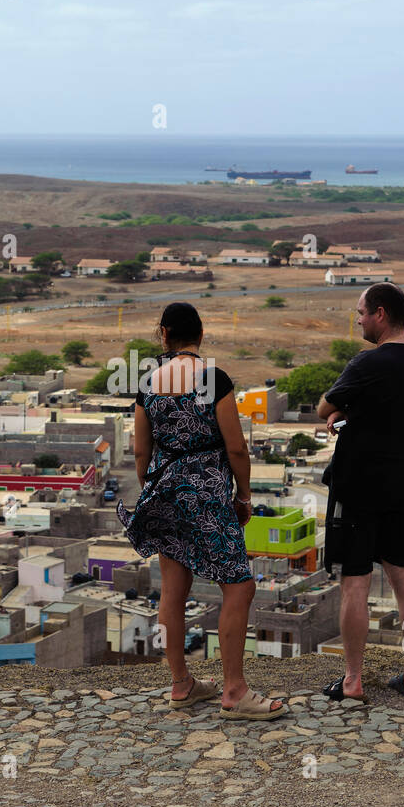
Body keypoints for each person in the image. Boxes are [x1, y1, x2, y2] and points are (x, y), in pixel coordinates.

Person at [117, 302, 286, 720]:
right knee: (239, 586)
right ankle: (234, 690)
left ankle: (181, 685)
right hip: (207, 492)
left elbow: (141, 449)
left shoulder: (148, 381)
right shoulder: (212, 378)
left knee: (174, 589)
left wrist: (155, 491)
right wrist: (243, 496)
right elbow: (236, 446)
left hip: (163, 488)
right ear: (201, 333)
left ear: (164, 334)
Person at [316, 283, 404, 701]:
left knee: (355, 581)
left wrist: (341, 412)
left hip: (357, 481)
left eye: (362, 312)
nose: (359, 319)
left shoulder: (368, 362)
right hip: (401, 478)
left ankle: (352, 680)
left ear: (381, 314)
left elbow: (323, 407)